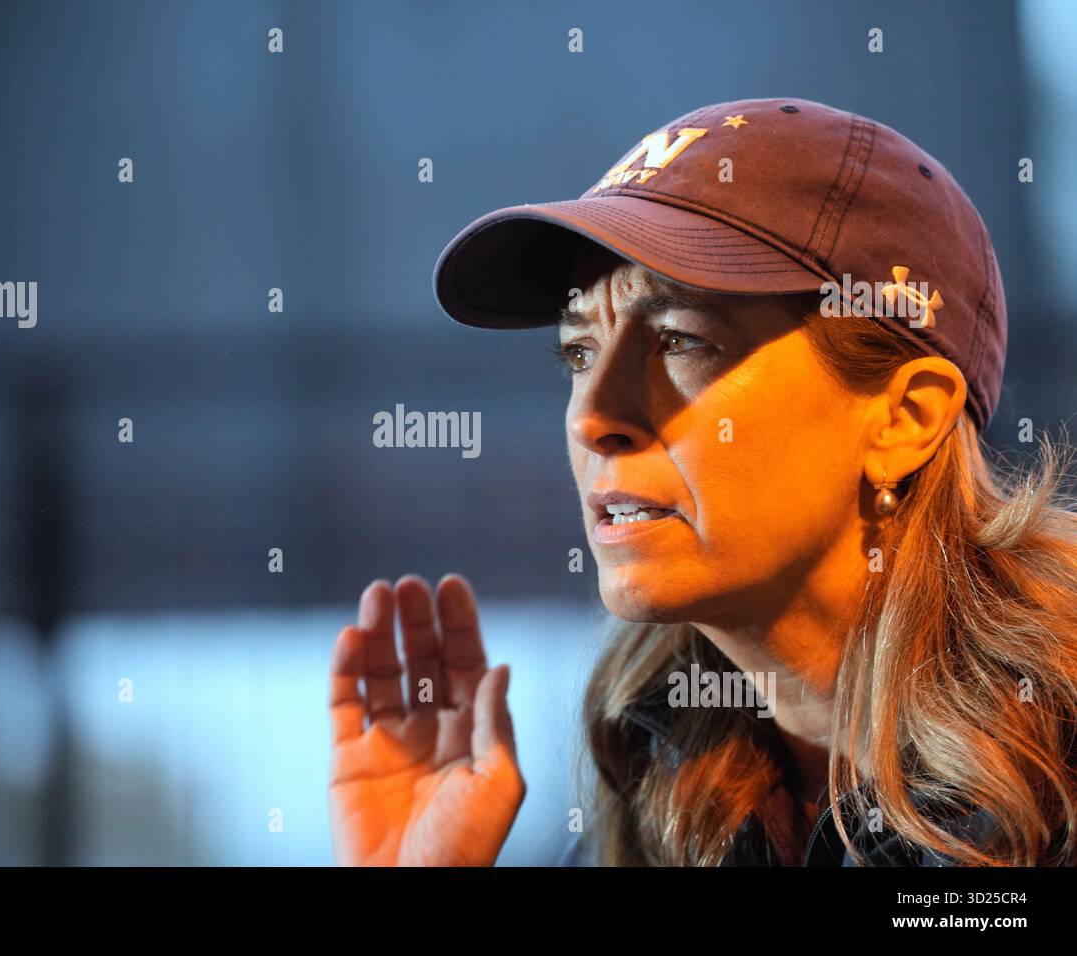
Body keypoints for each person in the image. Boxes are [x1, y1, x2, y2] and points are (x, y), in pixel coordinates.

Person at [327, 98, 1077, 866]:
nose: (591, 416)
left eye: (680, 340)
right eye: (579, 353)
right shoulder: (651, 789)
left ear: (904, 420)